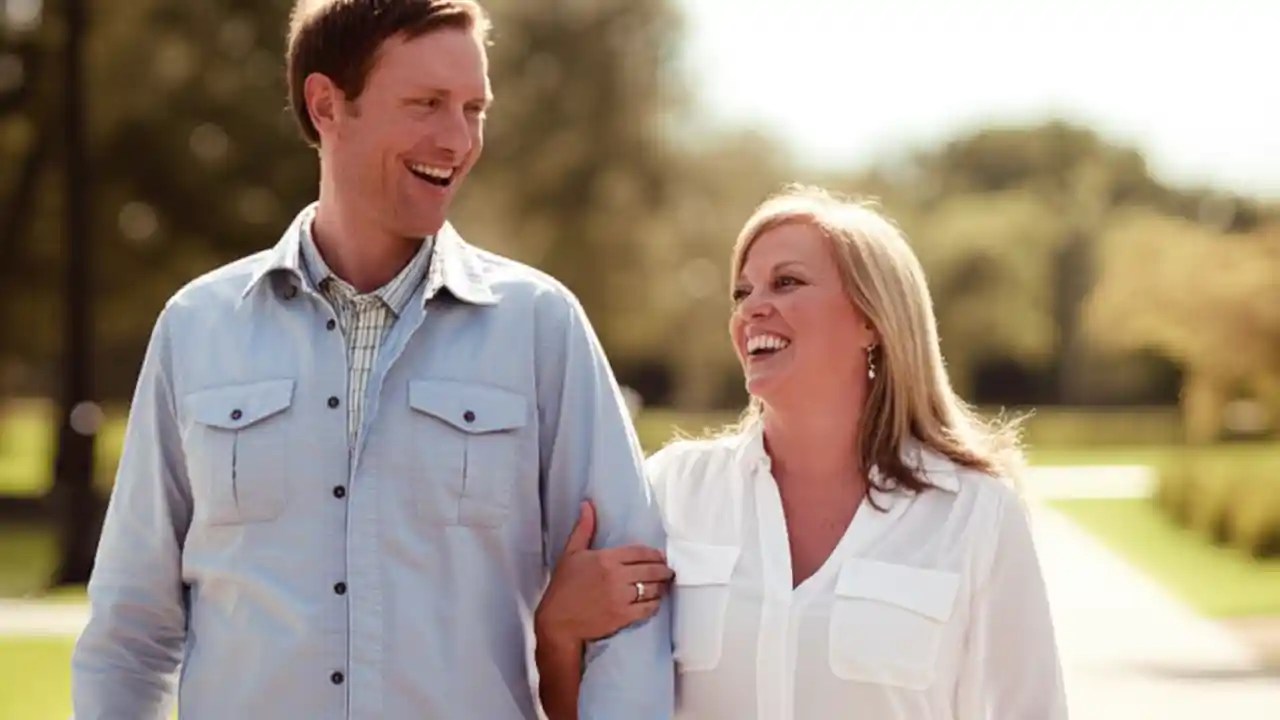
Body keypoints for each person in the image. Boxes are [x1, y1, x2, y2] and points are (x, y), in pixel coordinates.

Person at [71, 2, 672, 718]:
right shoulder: (197, 329)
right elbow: (131, 629)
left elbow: (631, 604)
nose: (457, 139)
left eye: (474, 108)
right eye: (426, 104)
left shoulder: (540, 327)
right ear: (326, 105)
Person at [534, 186, 1069, 719]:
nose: (752, 310)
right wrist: (557, 632)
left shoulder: (975, 512)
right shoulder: (672, 492)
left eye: (786, 283)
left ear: (871, 321)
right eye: (742, 293)